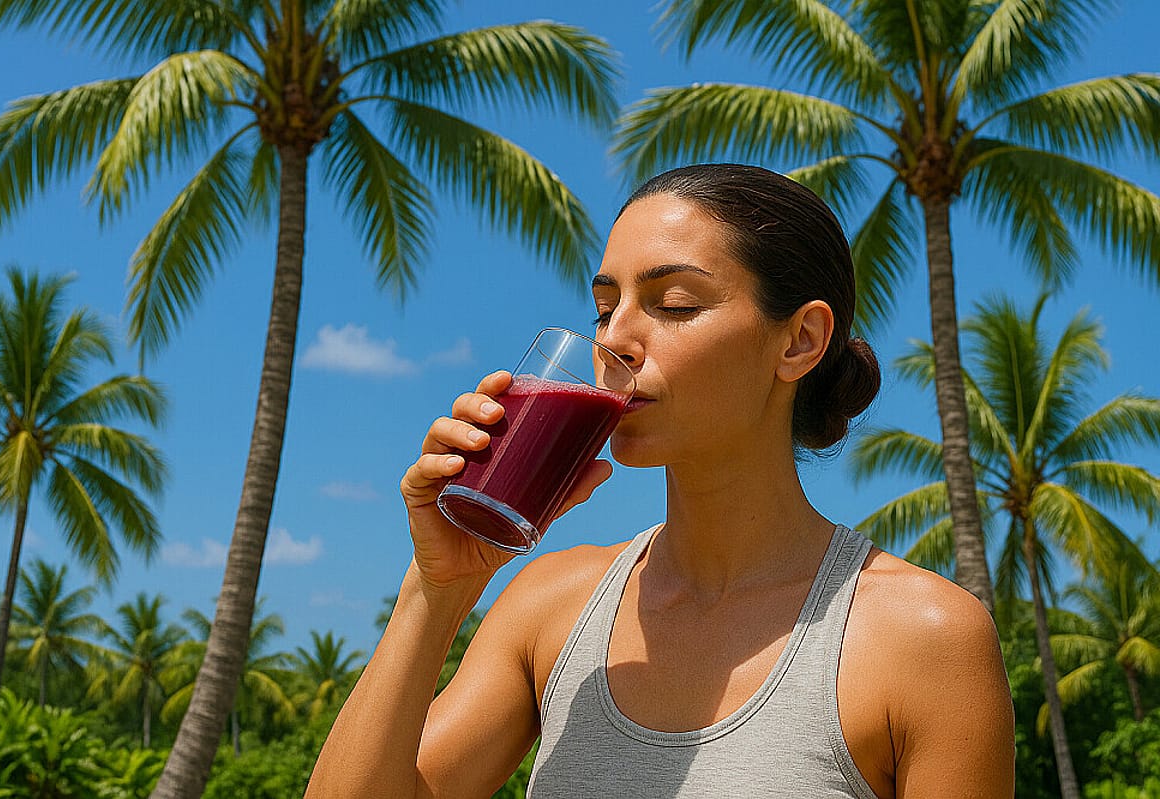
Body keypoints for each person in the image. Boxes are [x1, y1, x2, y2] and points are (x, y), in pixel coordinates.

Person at [305, 164, 1016, 798]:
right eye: (605, 306)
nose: (614, 338)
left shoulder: (922, 638)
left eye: (674, 304)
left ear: (799, 340)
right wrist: (437, 588)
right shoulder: (549, 609)